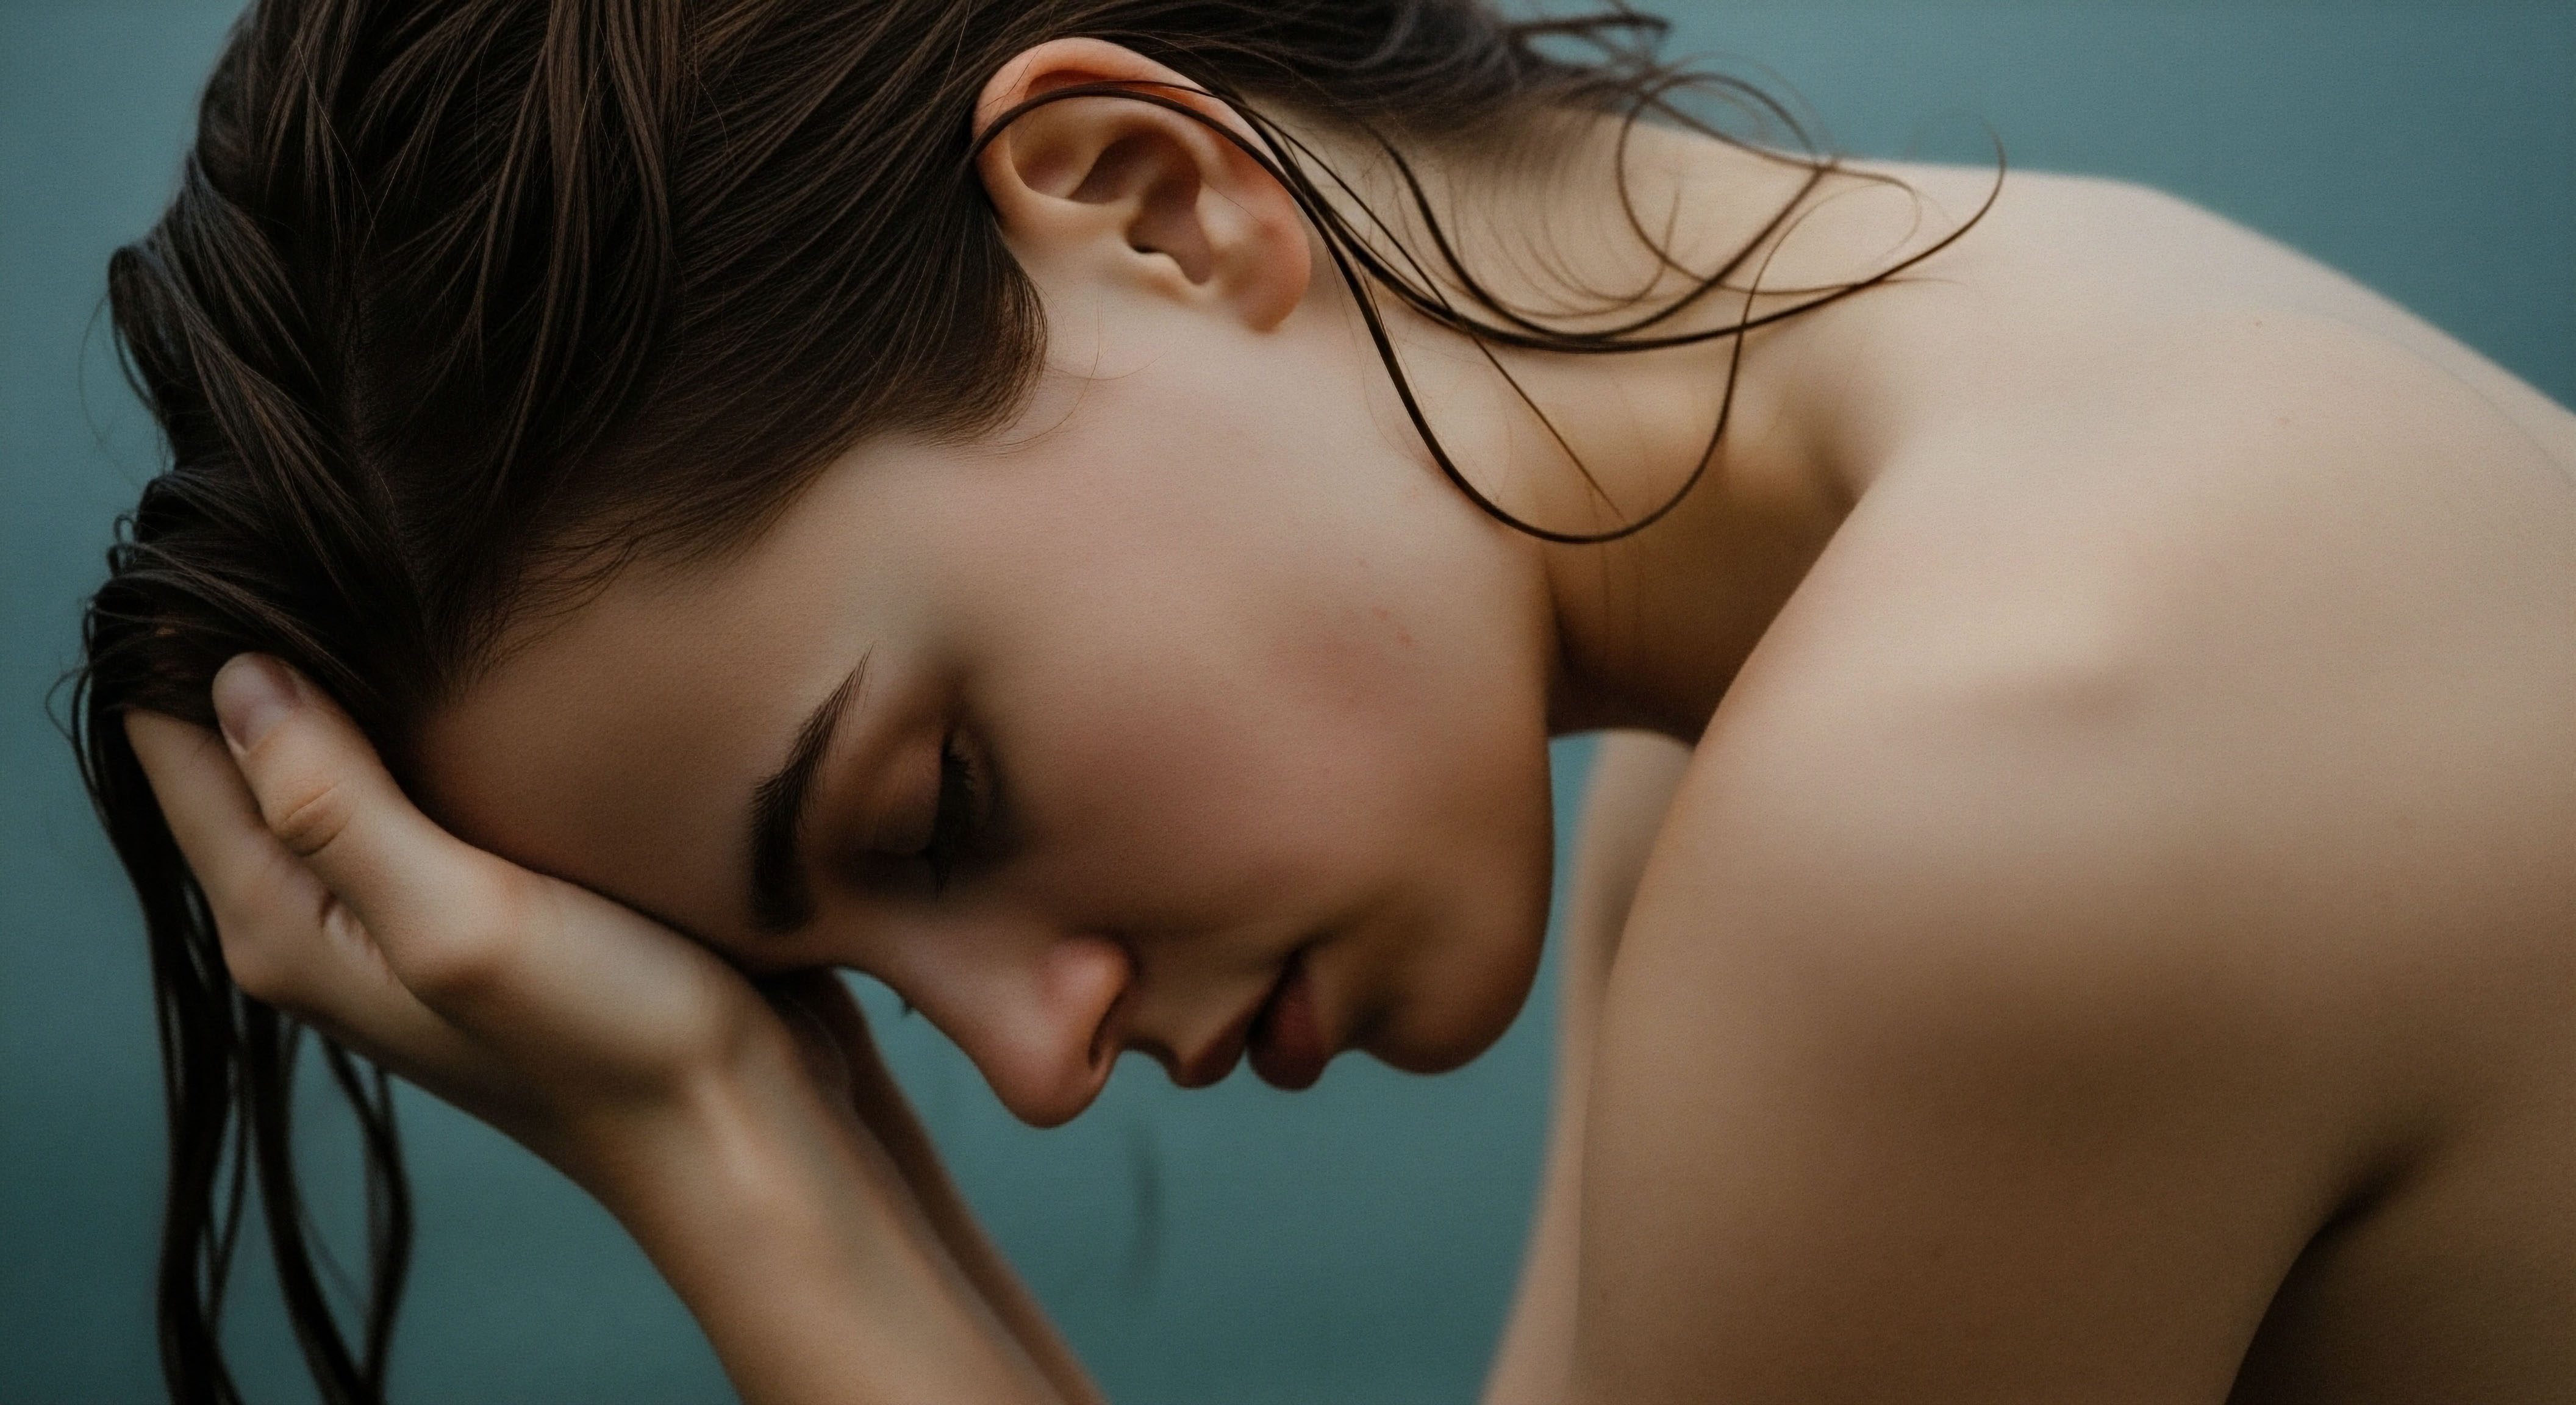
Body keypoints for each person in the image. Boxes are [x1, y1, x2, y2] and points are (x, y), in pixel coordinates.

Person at [77, 0, 2571, 1400]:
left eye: (935, 806)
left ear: (1154, 204)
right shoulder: (1861, 650)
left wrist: (741, 1178)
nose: (1036, 1069)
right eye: (838, 992)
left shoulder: (1980, 782)